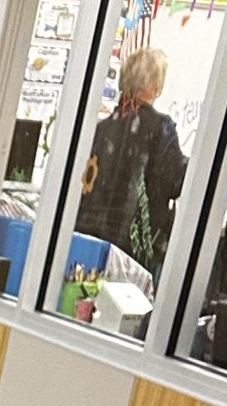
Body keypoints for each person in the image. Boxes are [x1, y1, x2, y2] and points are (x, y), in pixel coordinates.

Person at [74, 45, 187, 278]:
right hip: (132, 251)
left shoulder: (100, 130)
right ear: (155, 86)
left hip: (88, 243)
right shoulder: (160, 129)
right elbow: (175, 182)